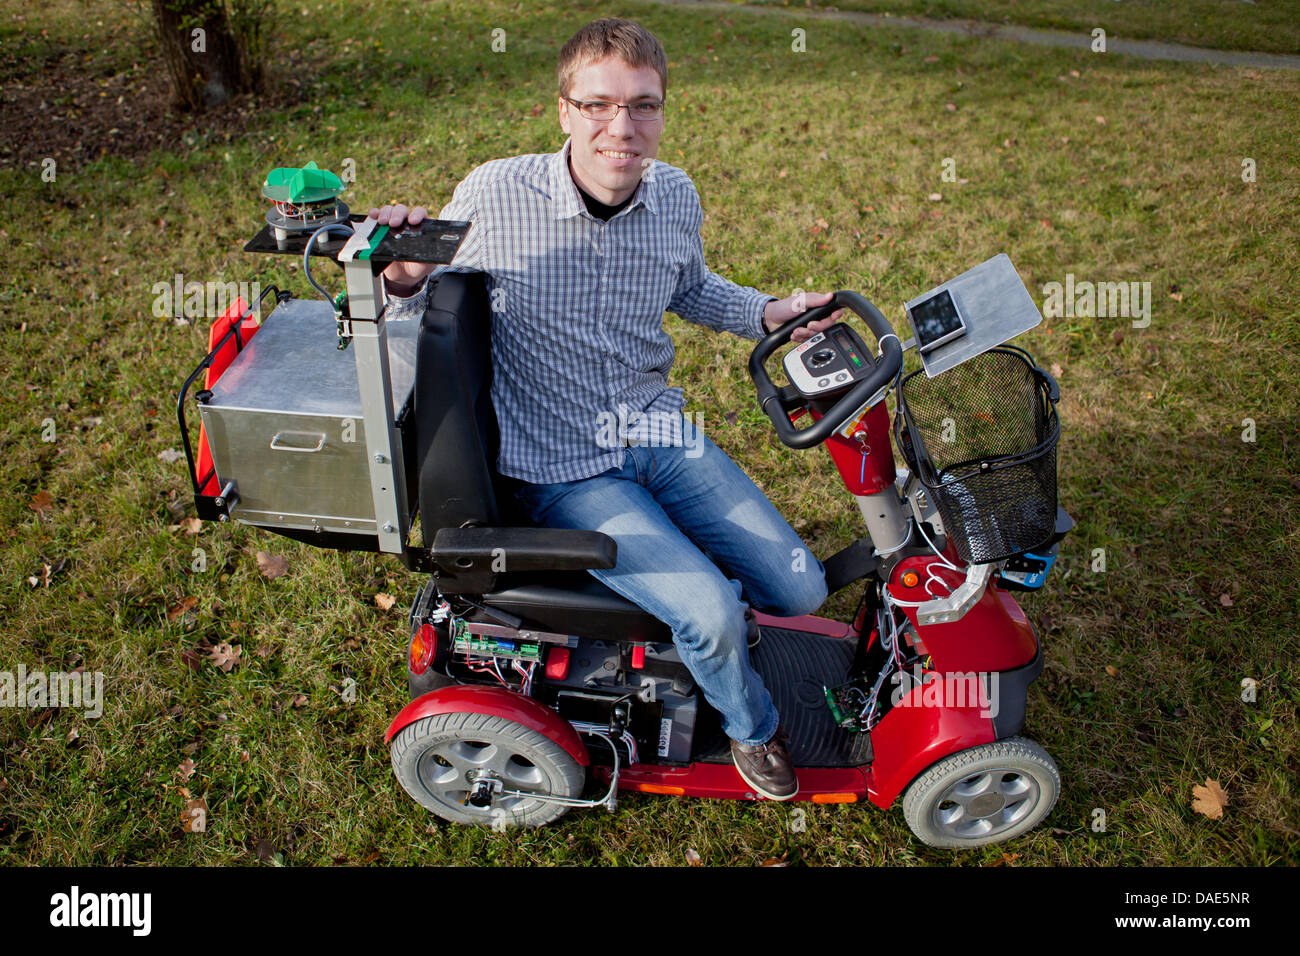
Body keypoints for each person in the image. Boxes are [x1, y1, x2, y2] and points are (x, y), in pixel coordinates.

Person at [373, 17, 843, 800]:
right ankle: (751, 731)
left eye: (642, 105)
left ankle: (695, 614)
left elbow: (691, 287)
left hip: (655, 426)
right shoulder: (495, 192)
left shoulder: (674, 193)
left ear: (663, 109)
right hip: (563, 466)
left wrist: (768, 311)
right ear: (563, 109)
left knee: (801, 591)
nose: (620, 128)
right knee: (716, 616)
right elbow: (402, 318)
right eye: (597, 105)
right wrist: (401, 278)